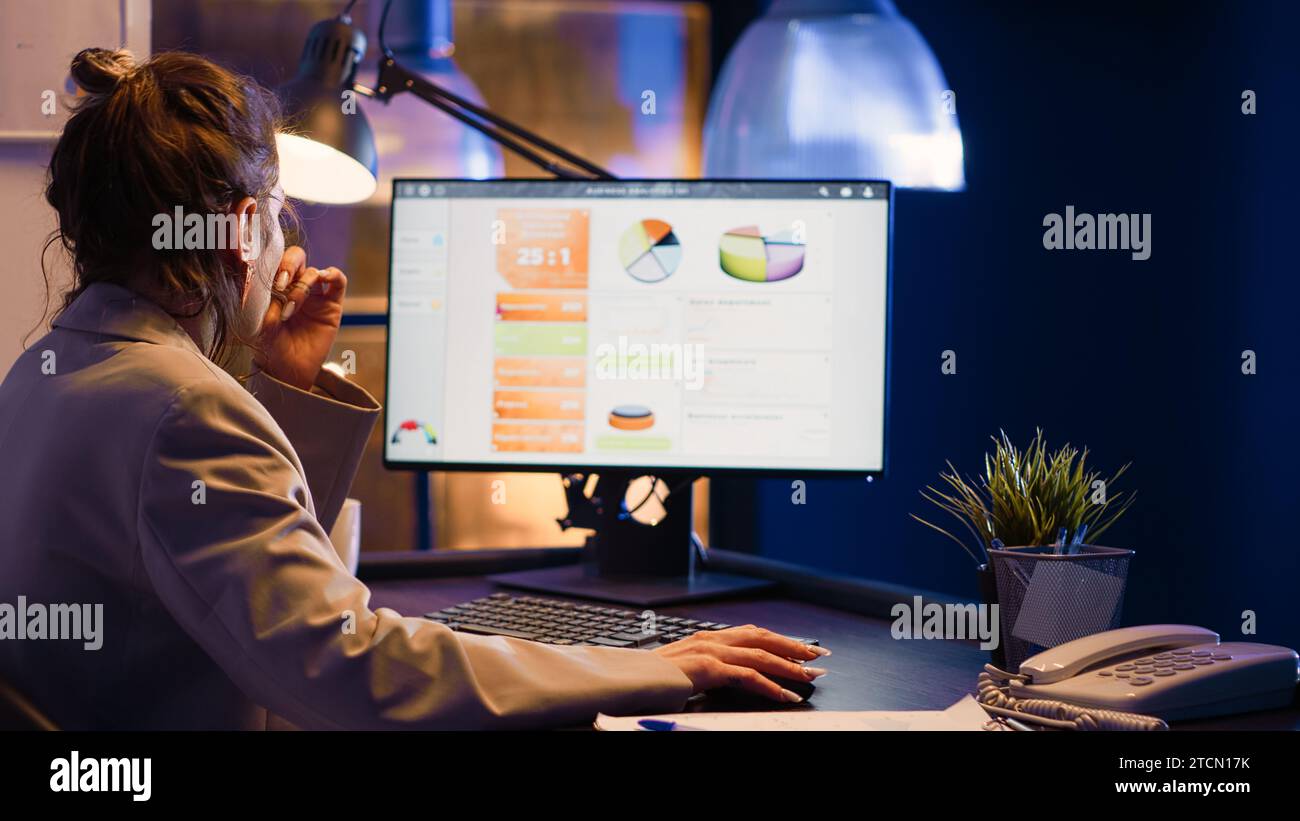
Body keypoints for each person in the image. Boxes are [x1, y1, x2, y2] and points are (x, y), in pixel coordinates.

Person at [0, 49, 828, 730]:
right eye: (279, 214)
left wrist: (281, 387)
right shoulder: (183, 410)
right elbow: (355, 669)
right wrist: (635, 667)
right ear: (242, 229)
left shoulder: (49, 372)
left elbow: (250, 589)